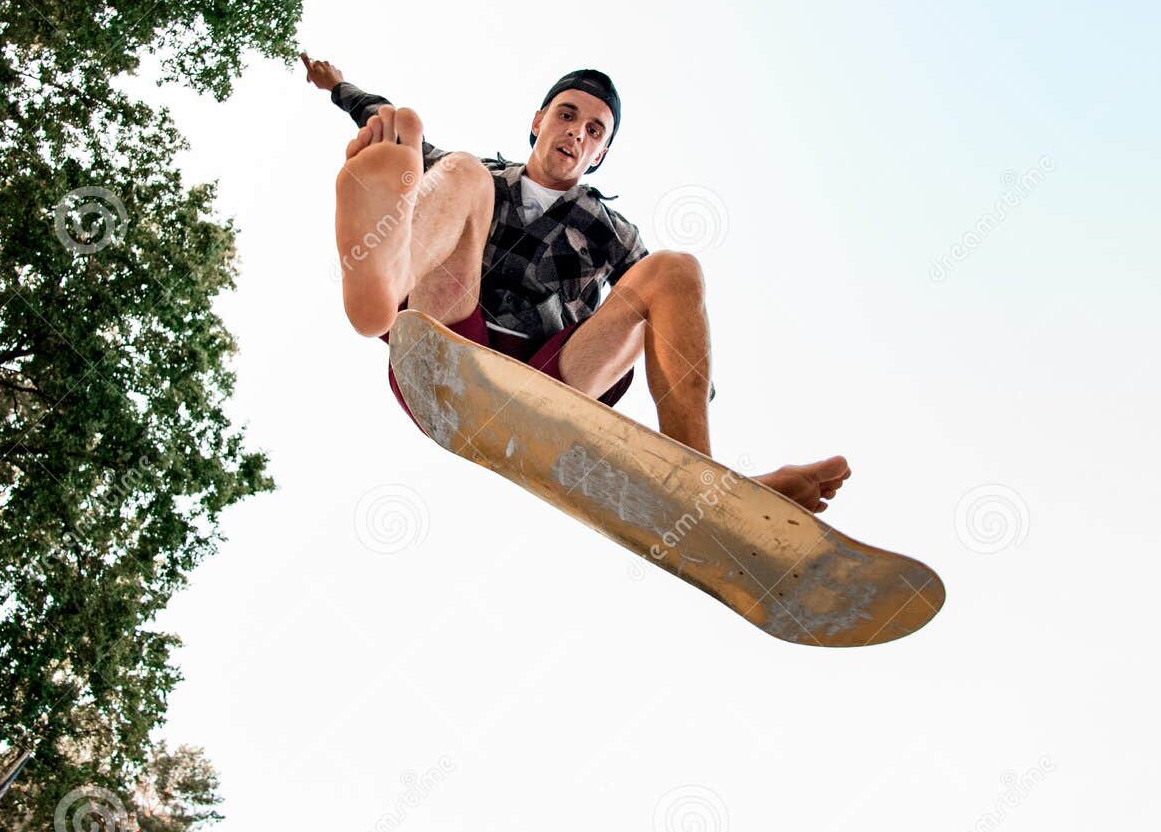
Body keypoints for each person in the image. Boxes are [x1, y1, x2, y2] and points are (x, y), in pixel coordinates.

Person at [302, 53, 849, 513]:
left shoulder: (609, 229)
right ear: (537, 120)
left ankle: (702, 485)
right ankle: (380, 285)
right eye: (567, 115)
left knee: (675, 270)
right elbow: (383, 117)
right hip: (445, 344)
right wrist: (336, 86)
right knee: (458, 171)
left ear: (601, 154)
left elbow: (676, 318)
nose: (576, 134)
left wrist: (697, 386)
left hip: (545, 385)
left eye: (594, 132)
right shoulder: (483, 179)